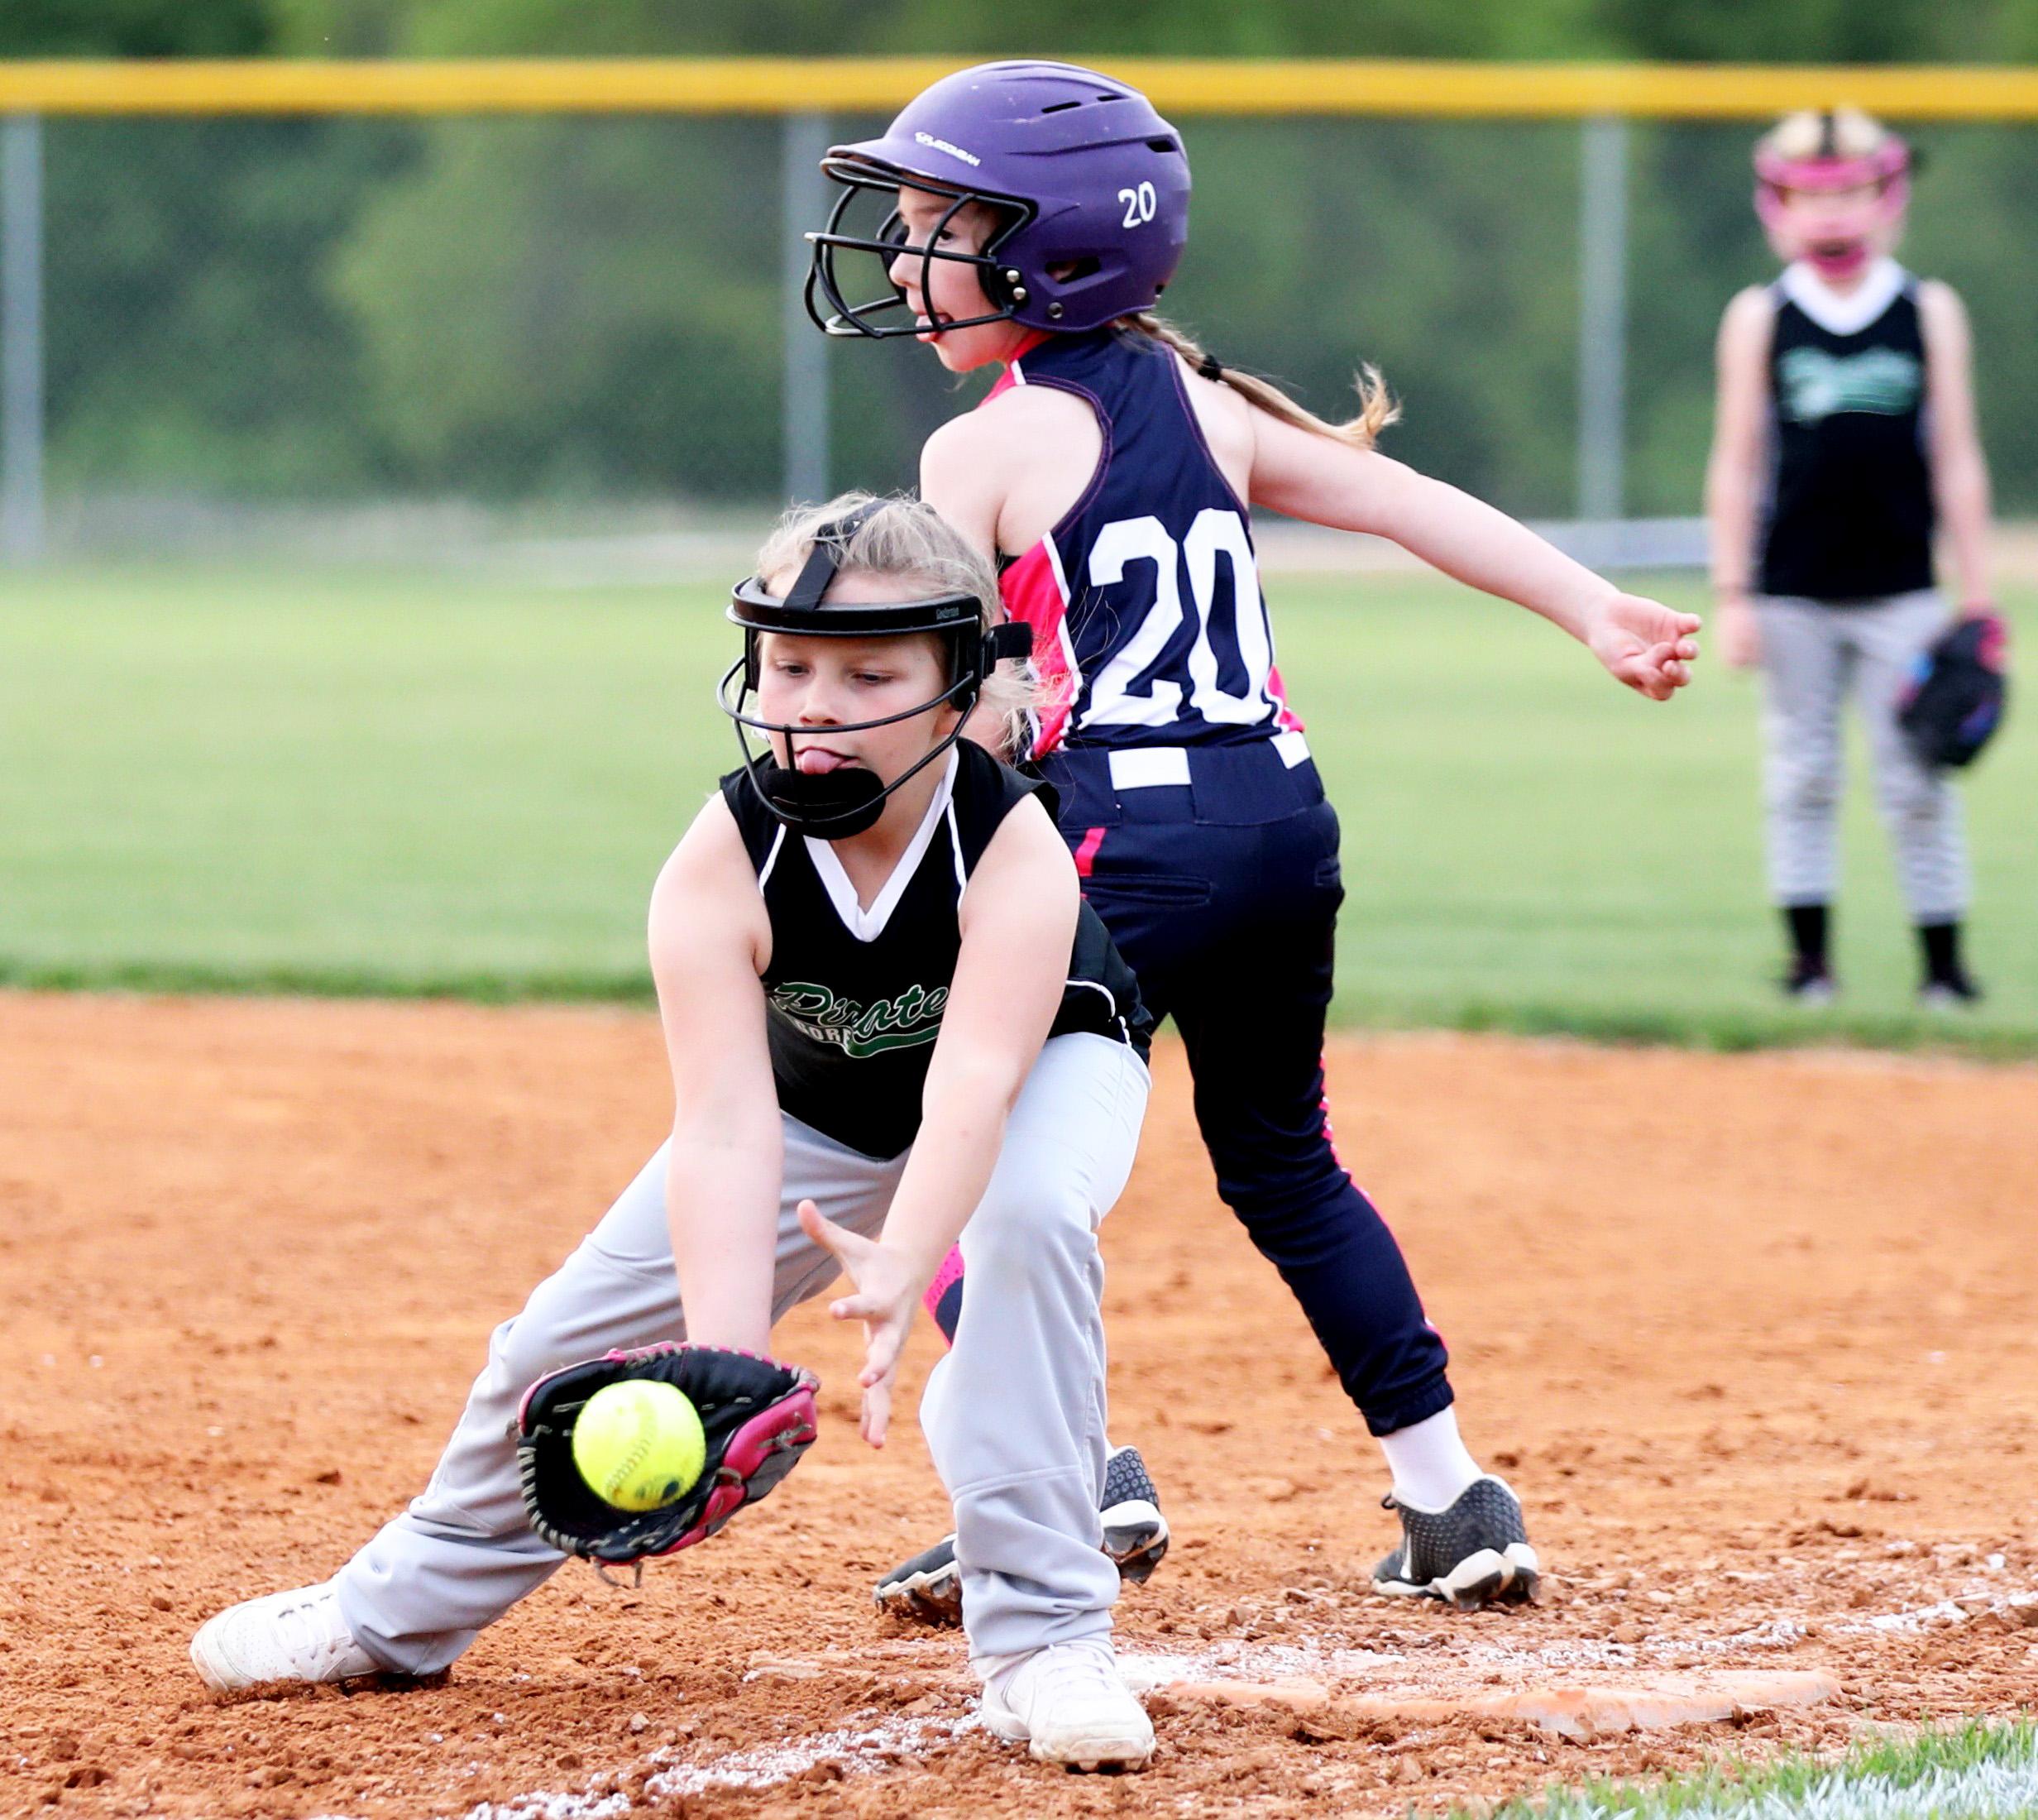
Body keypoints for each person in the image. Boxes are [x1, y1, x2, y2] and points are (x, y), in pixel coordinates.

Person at [805, 60, 1701, 1624]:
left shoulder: (979, 452)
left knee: (939, 1144)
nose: (899, 260)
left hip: (1118, 843)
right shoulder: (1204, 406)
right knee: (1284, 1168)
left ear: (1048, 253)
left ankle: (1061, 1476)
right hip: (1281, 823)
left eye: (937, 226)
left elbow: (939, 699)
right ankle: (1447, 1501)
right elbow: (1404, 499)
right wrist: (1587, 605)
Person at [189, 495, 1162, 1772]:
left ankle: (1046, 1644)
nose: (816, 700)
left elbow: (974, 1087)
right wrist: (727, 1361)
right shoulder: (723, 858)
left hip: (1045, 1077)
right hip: (812, 1103)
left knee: (1029, 1224)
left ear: (953, 690)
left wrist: (901, 1257)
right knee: (551, 1342)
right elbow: (719, 1125)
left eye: (870, 672)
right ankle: (390, 1617)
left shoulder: (1011, 846)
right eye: (790, 665)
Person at [1707, 107, 1993, 1006]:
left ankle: (1943, 975)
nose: (1830, 216)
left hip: (1902, 588)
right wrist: (1733, 592)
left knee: (1916, 777)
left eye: (1851, 194)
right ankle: (1809, 968)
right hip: (1793, 588)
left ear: (1887, 197)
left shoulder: (1926, 310)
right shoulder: (1761, 316)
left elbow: (1954, 455)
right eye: (1807, 196)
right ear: (1775, 206)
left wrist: (1975, 598)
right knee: (1801, 773)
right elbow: (1736, 460)